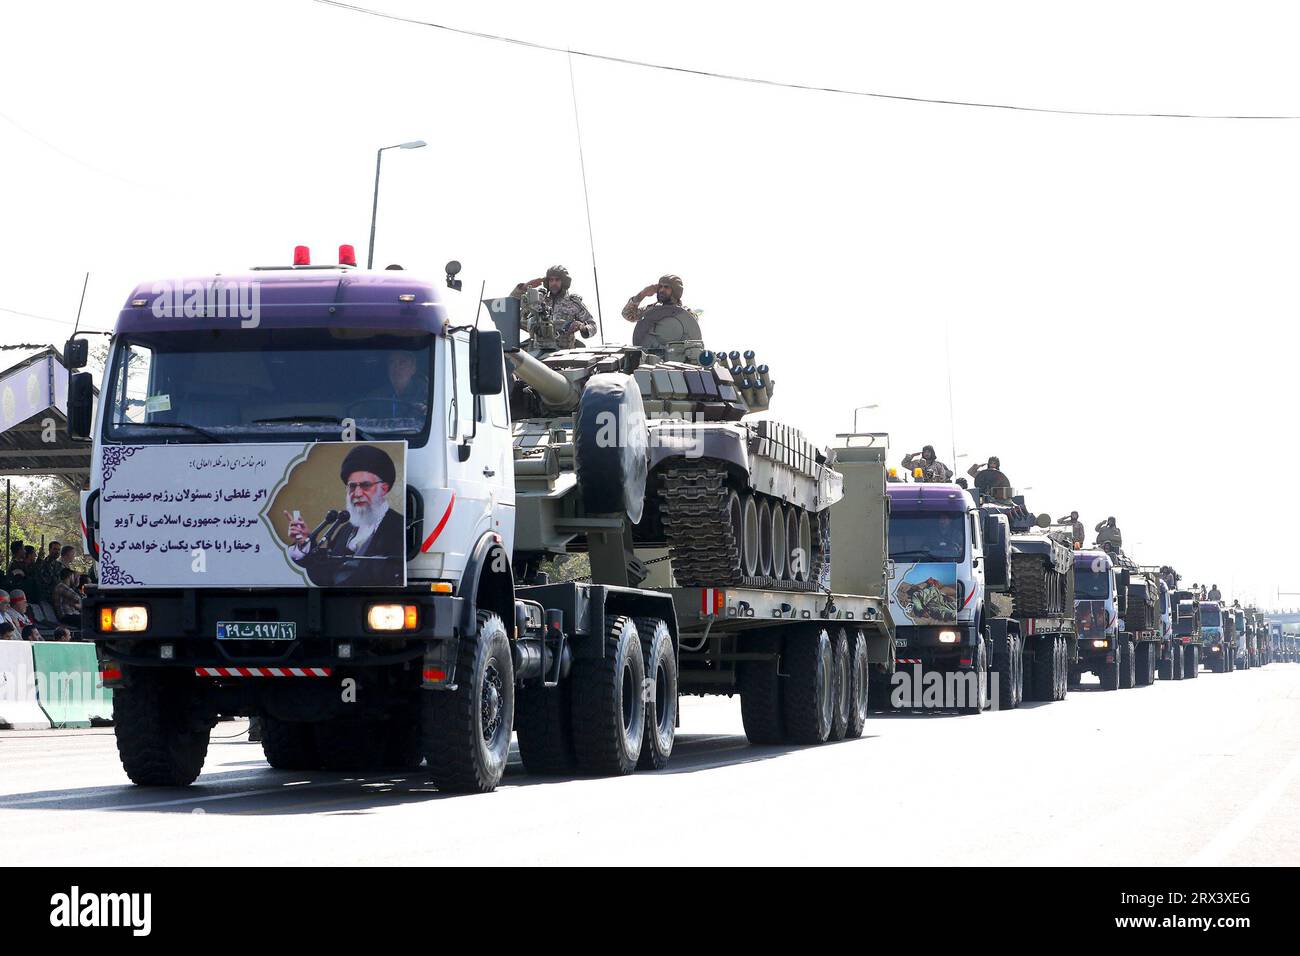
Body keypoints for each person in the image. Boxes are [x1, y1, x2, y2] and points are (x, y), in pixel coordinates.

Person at [286, 444, 405, 587]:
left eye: (365, 485)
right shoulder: (346, 529)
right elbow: (324, 575)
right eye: (352, 486)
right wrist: (305, 541)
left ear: (384, 488)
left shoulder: (398, 527)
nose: (357, 493)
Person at [512, 265, 598, 353]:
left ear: (564, 282)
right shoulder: (538, 298)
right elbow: (511, 304)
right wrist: (524, 287)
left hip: (564, 353)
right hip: (538, 351)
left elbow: (593, 325)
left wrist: (583, 328)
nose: (553, 283)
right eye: (551, 280)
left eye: (557, 280)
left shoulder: (573, 303)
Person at [621, 275, 702, 351]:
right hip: (651, 358)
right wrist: (642, 294)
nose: (661, 290)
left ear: (676, 291)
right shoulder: (651, 311)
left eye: (666, 287)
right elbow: (627, 314)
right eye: (660, 287)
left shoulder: (687, 314)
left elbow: (692, 335)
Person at [367, 351, 429, 418]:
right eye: (392, 362)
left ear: (413, 368)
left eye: (402, 362)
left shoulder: (425, 393)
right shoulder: (376, 397)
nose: (396, 368)